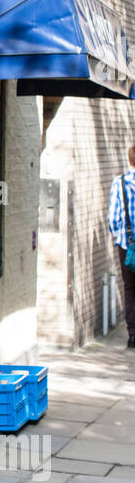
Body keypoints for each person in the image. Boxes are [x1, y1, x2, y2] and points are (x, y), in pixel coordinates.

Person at [108, 145, 135, 349]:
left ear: (129, 160)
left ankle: (133, 334)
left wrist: (121, 236)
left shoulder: (120, 183)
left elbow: (112, 219)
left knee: (129, 288)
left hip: (128, 246)